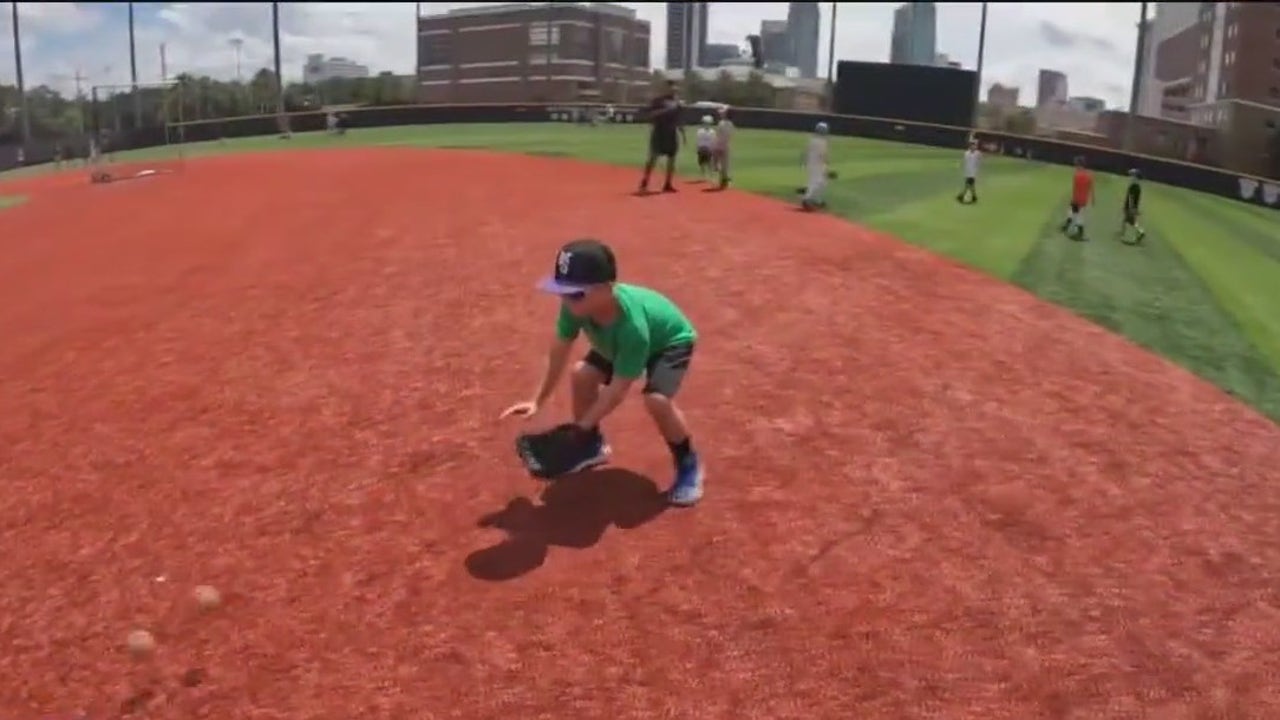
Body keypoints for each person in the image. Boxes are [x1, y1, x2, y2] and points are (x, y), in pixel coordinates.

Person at [500, 238, 705, 507]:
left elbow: (617, 390)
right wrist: (538, 400)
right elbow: (559, 352)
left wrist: (579, 427)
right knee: (581, 374)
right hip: (614, 343)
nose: (565, 299)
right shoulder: (576, 307)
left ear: (606, 289)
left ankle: (689, 464)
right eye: (561, 290)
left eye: (574, 293)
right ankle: (591, 447)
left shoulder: (633, 328)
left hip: (668, 341)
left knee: (657, 400)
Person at [638, 80, 685, 194]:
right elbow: (650, 115)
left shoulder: (677, 102)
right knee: (653, 158)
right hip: (659, 132)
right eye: (671, 88)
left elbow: (678, 119)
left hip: (671, 133)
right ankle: (644, 182)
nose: (674, 90)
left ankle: (668, 184)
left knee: (672, 159)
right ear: (666, 88)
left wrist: (683, 133)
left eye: (675, 88)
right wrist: (666, 110)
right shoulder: (658, 101)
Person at [1060, 156, 1094, 240]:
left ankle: (1075, 231)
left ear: (1079, 165)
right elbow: (1090, 188)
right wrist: (1092, 198)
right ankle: (1077, 232)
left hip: (1076, 199)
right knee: (1077, 215)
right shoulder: (1089, 176)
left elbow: (1075, 188)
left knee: (1075, 214)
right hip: (1082, 200)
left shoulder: (1076, 175)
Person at [800, 121, 831, 210]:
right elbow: (823, 155)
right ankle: (807, 199)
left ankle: (816, 200)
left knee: (821, 182)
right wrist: (826, 165)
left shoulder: (813, 139)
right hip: (818, 164)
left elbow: (806, 153)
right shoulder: (822, 141)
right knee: (816, 182)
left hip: (812, 163)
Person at [1118, 168, 1146, 245]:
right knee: (1127, 220)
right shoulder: (1138, 187)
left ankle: (1140, 231)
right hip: (1133, 207)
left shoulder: (1133, 186)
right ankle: (1123, 234)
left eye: (1132, 175)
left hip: (1130, 207)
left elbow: (1131, 198)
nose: (1130, 177)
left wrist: (1130, 208)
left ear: (1135, 177)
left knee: (1131, 221)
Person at [713, 105, 735, 190]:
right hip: (726, 145)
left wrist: (715, 145)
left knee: (716, 164)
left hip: (719, 145)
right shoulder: (731, 124)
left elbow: (718, 135)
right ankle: (724, 179)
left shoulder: (721, 123)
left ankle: (723, 179)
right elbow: (731, 135)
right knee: (725, 164)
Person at [956, 138, 980, 204]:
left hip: (972, 173)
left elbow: (977, 163)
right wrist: (960, 165)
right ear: (970, 146)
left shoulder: (977, 154)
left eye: (974, 145)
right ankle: (974, 197)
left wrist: (977, 172)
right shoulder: (966, 153)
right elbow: (964, 161)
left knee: (968, 185)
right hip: (967, 172)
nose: (973, 146)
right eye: (972, 145)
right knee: (970, 186)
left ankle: (961, 196)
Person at [695, 115, 716, 179]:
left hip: (706, 149)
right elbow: (698, 140)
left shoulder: (710, 131)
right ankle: (706, 175)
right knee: (703, 163)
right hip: (704, 148)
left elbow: (698, 140)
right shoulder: (710, 131)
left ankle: (707, 175)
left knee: (706, 163)